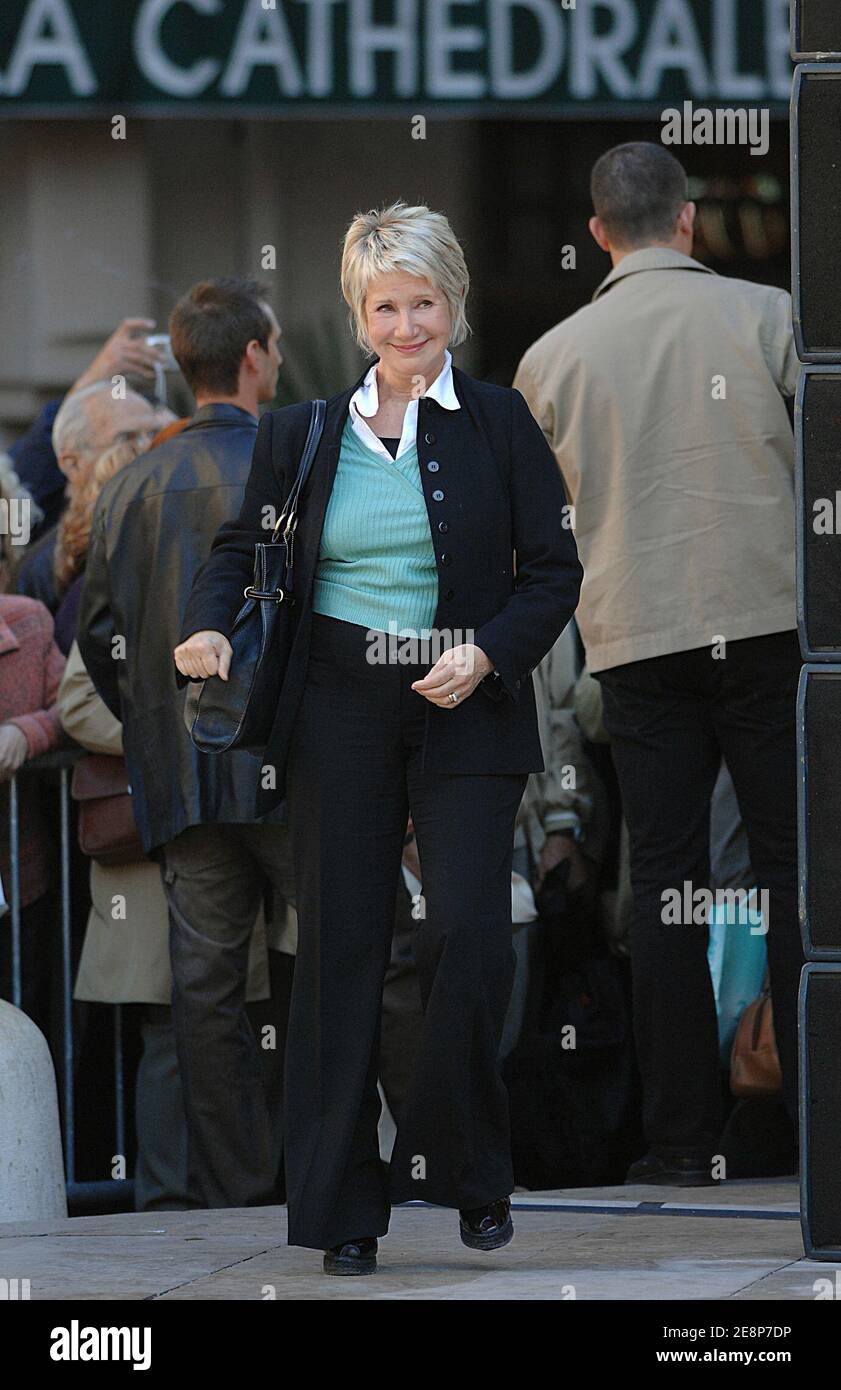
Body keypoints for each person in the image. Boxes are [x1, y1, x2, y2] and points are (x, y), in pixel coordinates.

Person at [174, 201, 582, 1273]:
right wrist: (209, 625)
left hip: (466, 701)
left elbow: (554, 570)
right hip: (337, 706)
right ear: (361, 317)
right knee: (342, 952)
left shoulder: (498, 421)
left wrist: (490, 650)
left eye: (424, 302)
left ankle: (467, 1168)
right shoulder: (300, 433)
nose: (406, 326)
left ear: (454, 304)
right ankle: (343, 1208)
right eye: (385, 306)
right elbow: (236, 549)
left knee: (466, 934)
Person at [513, 142, 803, 1187]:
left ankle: (678, 1132)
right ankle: (802, 1116)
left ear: (596, 232)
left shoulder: (550, 358)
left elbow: (540, 531)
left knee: (667, 883)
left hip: (634, 638)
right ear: (688, 221)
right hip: (768, 627)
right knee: (790, 872)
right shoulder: (770, 320)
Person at [77, 278, 297, 1211]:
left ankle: (236, 1191)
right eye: (274, 345)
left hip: (187, 770)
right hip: (297, 763)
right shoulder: (298, 464)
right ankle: (326, 1170)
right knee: (329, 961)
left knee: (202, 989)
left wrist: (157, 726)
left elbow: (97, 630)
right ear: (252, 355)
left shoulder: (128, 484)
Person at [13, 381, 160, 613]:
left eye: (155, 434)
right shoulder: (39, 569)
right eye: (126, 439)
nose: (149, 448)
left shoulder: (174, 524)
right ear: (72, 463)